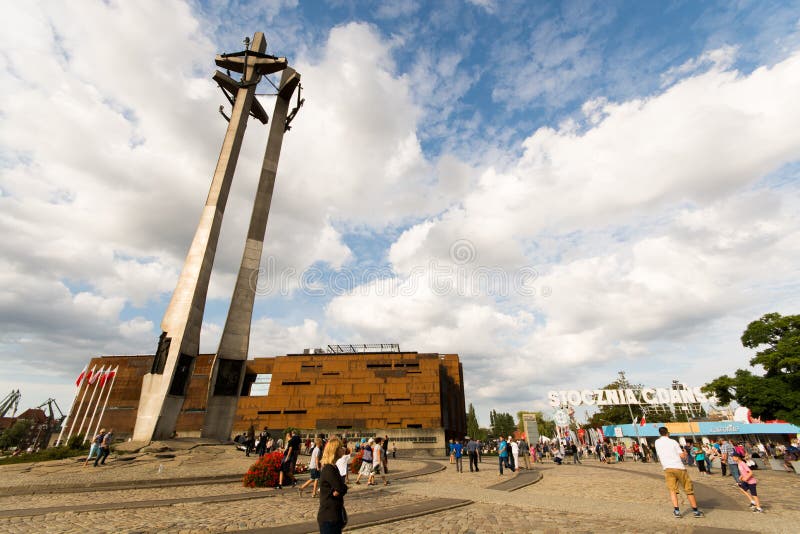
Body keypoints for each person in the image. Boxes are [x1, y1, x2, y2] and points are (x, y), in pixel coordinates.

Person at [654, 427, 704, 518]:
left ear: (659, 433)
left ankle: (676, 511)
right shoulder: (673, 442)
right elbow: (682, 456)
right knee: (688, 489)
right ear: (667, 433)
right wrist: (685, 453)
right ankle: (695, 511)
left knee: (672, 490)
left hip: (667, 468)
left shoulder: (657, 442)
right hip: (678, 467)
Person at [317, 437, 348, 534]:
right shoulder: (329, 468)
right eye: (340, 448)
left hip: (334, 515)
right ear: (335, 450)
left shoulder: (333, 467)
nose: (343, 449)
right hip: (329, 516)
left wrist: (341, 488)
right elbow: (340, 487)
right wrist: (342, 488)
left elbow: (340, 488)